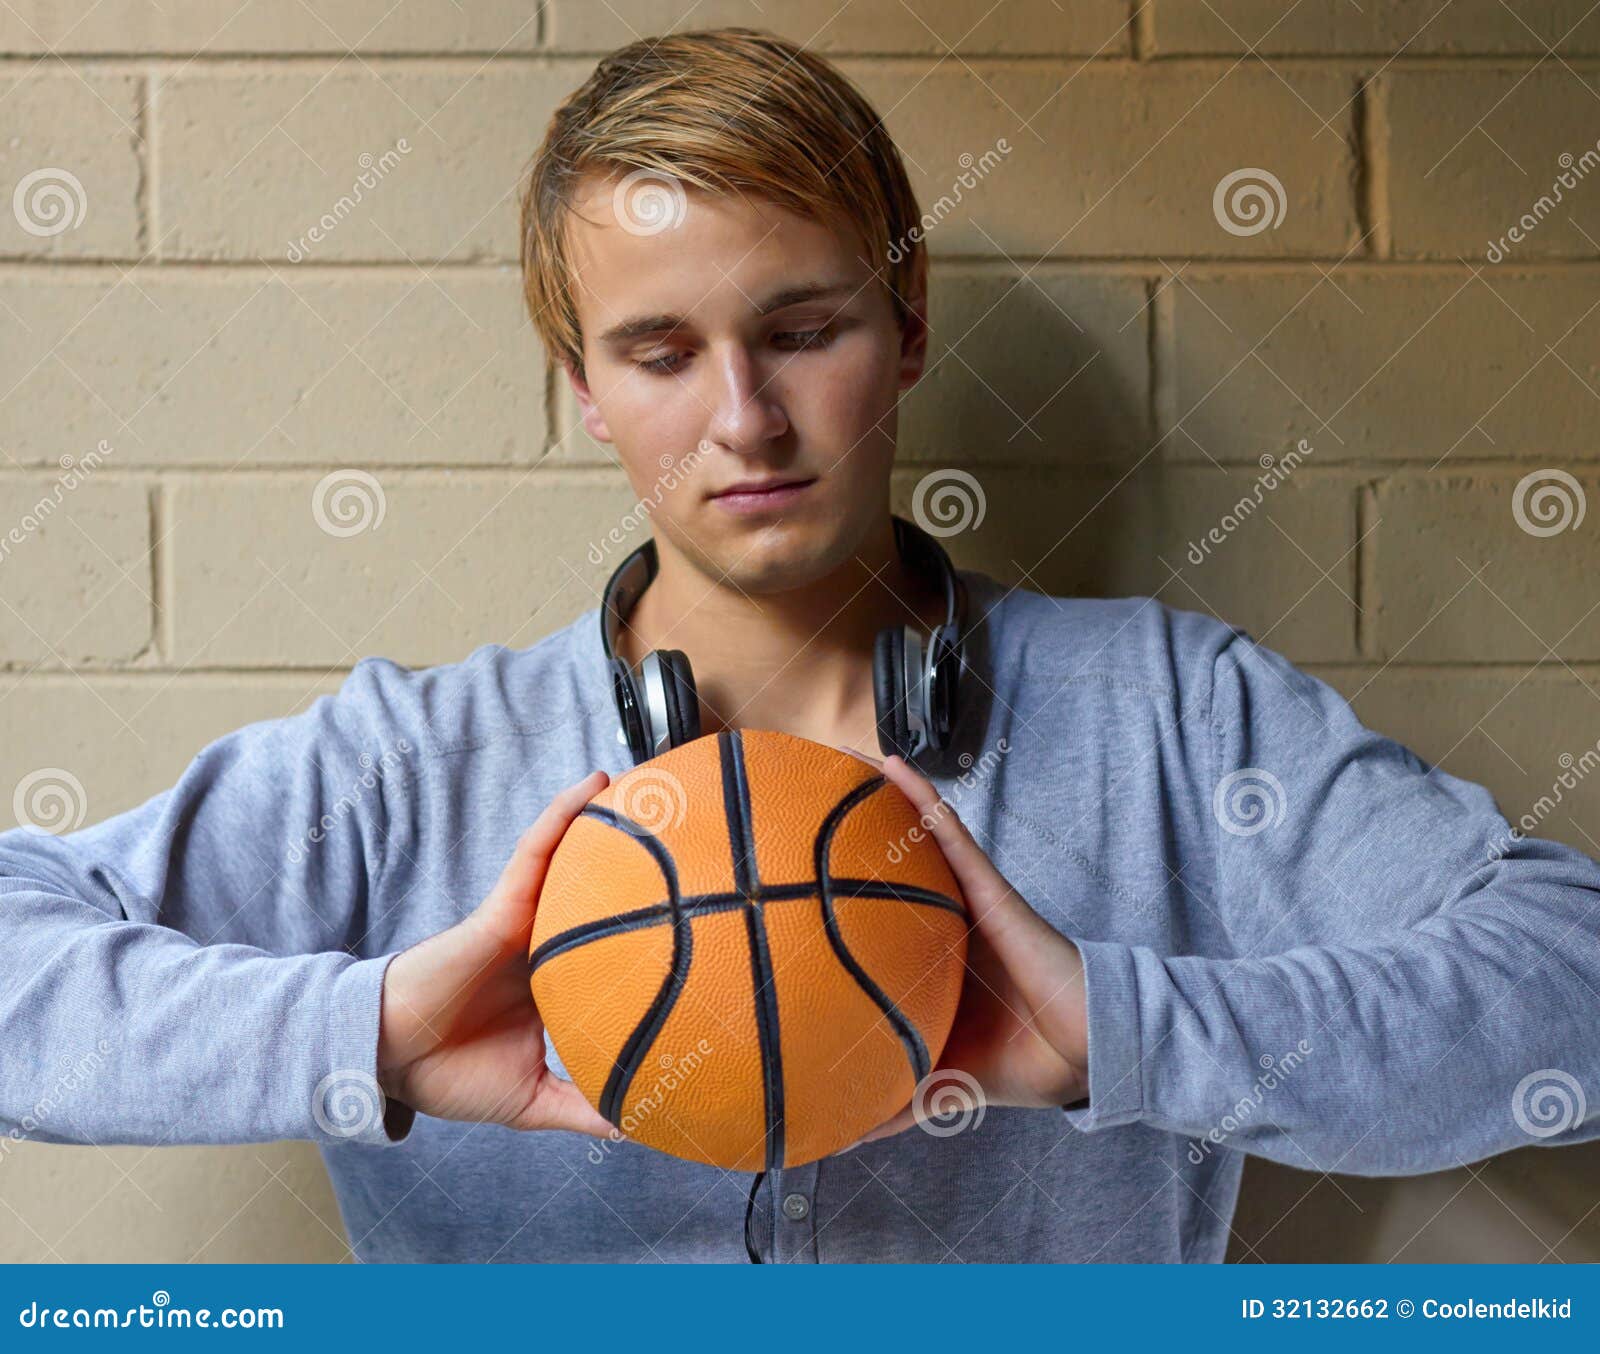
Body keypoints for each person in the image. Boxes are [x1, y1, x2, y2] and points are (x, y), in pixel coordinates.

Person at [3, 26, 1598, 1265]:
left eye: (800, 329)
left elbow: (1570, 980)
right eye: (659, 351)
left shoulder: (1169, 717)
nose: (744, 419)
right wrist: (372, 1034)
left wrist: (1126, 1032)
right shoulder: (407, 768)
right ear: (583, 385)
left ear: (906, 330)